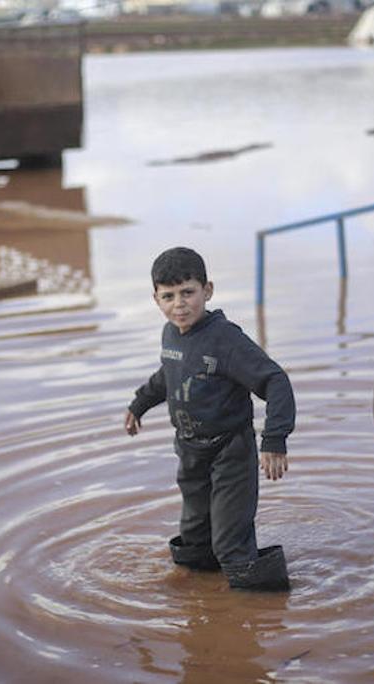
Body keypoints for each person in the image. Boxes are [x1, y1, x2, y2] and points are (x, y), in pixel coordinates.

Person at [125, 247, 295, 591]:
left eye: (188, 292)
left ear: (208, 291)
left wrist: (273, 439)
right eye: (168, 296)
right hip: (190, 452)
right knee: (194, 537)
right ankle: (204, 604)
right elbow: (169, 374)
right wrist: (139, 403)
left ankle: (265, 607)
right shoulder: (171, 334)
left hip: (230, 451)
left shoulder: (225, 339)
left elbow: (275, 380)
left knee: (231, 543)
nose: (179, 304)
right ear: (156, 299)